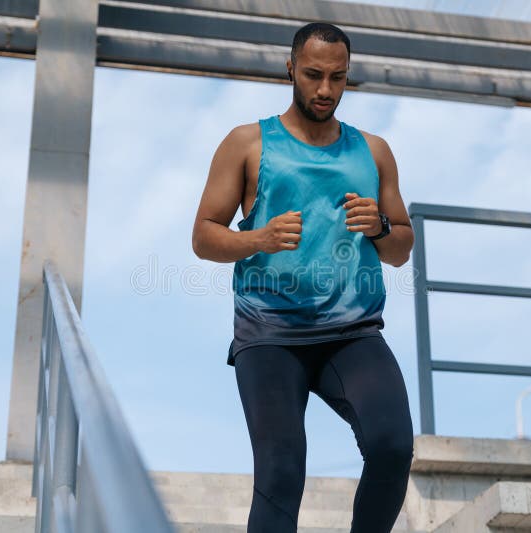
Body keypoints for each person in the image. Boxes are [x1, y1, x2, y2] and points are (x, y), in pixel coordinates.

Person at [192, 21, 415, 533]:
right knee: (281, 470)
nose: (325, 90)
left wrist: (380, 227)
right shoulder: (248, 142)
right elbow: (204, 236)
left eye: (337, 78)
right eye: (313, 75)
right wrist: (258, 239)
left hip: (353, 334)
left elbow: (400, 249)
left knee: (392, 446)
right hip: (269, 335)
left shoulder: (373, 151)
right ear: (290, 67)